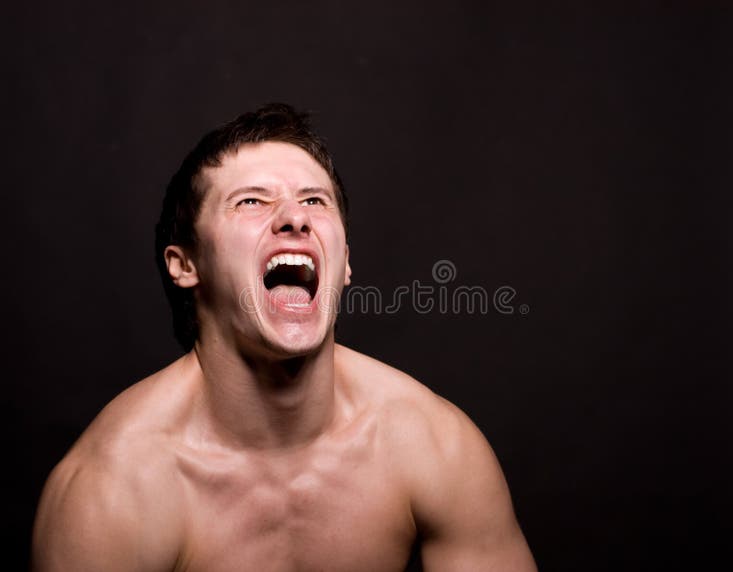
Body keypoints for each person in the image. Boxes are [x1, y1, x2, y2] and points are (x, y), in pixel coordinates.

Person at [31, 104, 537, 571]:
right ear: (186, 265)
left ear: (345, 264)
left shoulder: (432, 445)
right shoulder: (113, 491)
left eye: (314, 200)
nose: (294, 217)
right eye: (251, 200)